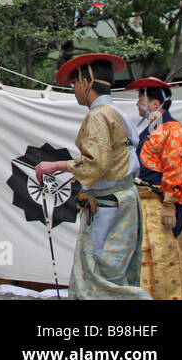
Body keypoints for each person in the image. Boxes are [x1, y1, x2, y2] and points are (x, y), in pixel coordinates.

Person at [35, 53, 150, 300]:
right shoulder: (117, 113)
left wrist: (56, 166)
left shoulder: (99, 115)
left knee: (97, 278)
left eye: (74, 84)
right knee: (113, 272)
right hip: (122, 201)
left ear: (86, 82)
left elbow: (96, 164)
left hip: (109, 206)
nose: (74, 89)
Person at [127, 75, 182, 299]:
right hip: (144, 205)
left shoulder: (173, 130)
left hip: (162, 205)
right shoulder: (149, 129)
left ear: (155, 103)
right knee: (146, 258)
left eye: (140, 98)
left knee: (171, 257)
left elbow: (177, 167)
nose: (137, 103)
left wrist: (170, 204)